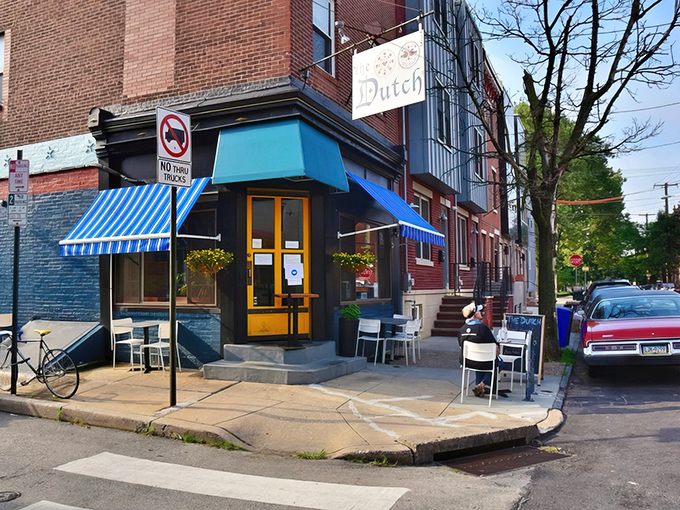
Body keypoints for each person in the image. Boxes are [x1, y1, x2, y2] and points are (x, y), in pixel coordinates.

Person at [458, 302, 507, 398]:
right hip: (485, 362)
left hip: (467, 362)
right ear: (476, 314)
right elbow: (495, 347)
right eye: (480, 311)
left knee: (479, 359)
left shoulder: (462, 330)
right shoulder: (483, 328)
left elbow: (461, 346)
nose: (482, 313)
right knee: (498, 363)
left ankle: (480, 387)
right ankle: (482, 384)